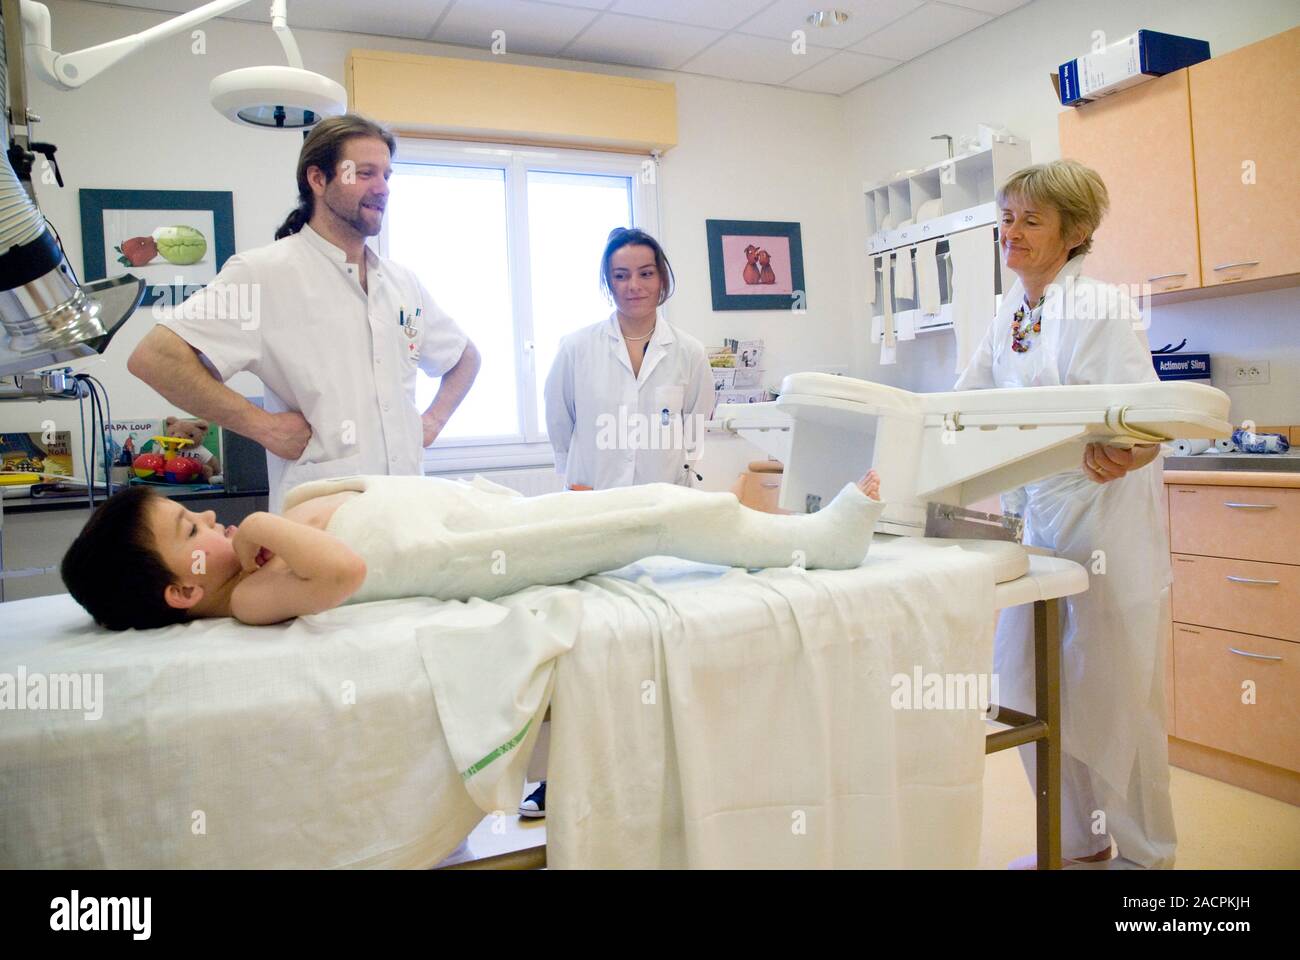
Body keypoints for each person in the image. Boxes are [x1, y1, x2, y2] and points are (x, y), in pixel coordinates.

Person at [955, 159, 1175, 869]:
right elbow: (967, 404)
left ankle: (1147, 862)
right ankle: (1080, 843)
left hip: (1104, 520)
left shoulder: (1101, 307)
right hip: (1037, 523)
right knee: (1026, 679)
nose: (1011, 233)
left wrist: (1131, 452)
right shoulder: (1010, 312)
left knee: (1115, 696)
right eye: (1007, 217)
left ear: (1075, 232)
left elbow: (1144, 415)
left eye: (1030, 220)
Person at [127, 114, 481, 512]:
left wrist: (431, 422)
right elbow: (155, 358)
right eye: (365, 173)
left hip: (405, 513)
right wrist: (262, 427)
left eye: (387, 175)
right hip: (320, 523)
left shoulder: (402, 283)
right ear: (318, 179)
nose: (382, 188)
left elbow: (465, 358)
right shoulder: (265, 273)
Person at [60, 471, 884, 631]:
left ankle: (797, 536)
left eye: (196, 516)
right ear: (179, 592)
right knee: (658, 516)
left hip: (479, 516)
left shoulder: (254, 565)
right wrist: (264, 525)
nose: (213, 526)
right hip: (468, 550)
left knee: (651, 499)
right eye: (190, 533)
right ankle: (817, 544)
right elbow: (343, 571)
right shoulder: (245, 598)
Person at [544, 227, 714, 492]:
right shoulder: (575, 348)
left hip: (665, 497)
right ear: (609, 282)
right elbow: (559, 420)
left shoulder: (690, 352)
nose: (634, 285)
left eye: (646, 274)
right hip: (594, 492)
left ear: (661, 279)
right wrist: (573, 471)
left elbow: (695, 427)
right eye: (621, 276)